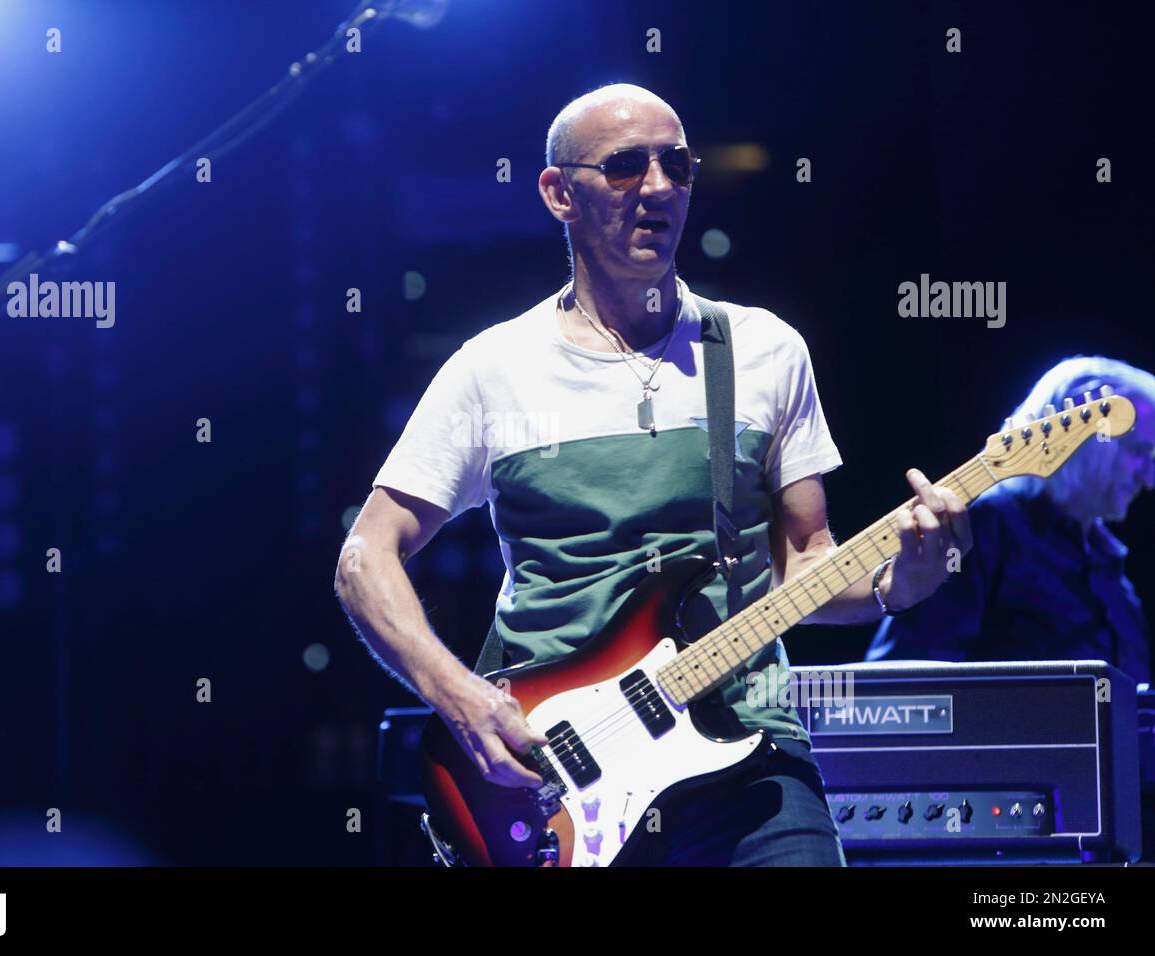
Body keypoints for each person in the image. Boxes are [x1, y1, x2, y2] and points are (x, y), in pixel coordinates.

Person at [335, 83, 969, 866]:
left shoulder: (764, 351)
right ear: (559, 192)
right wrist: (457, 695)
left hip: (749, 742)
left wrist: (902, 582)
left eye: (677, 164)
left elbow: (804, 564)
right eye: (626, 166)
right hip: (558, 766)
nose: (660, 187)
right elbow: (366, 557)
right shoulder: (492, 370)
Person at [868, 356, 1155, 686]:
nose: (1149, 478)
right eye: (1139, 451)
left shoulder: (1112, 568)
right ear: (1086, 435)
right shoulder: (985, 528)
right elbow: (901, 689)